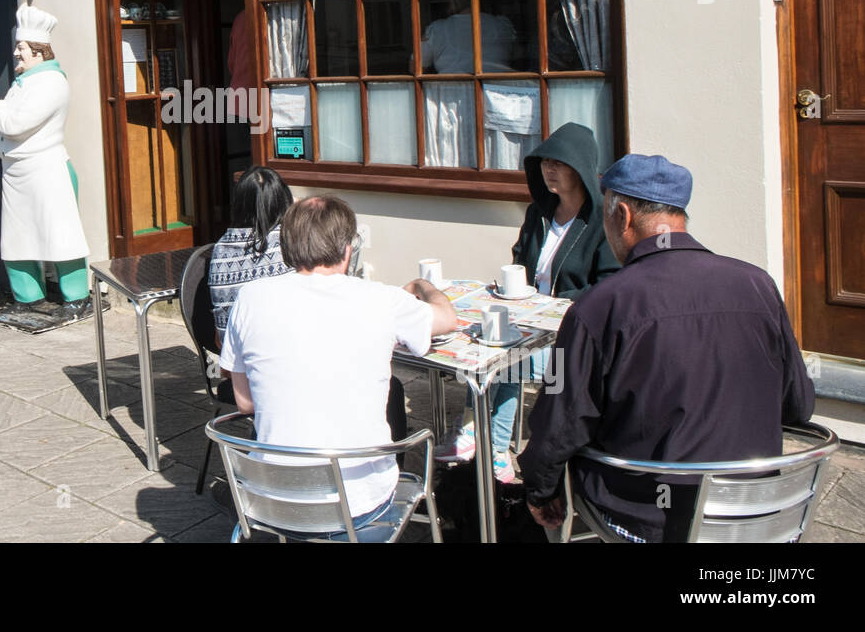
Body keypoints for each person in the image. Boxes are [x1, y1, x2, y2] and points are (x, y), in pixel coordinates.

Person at [519, 154, 816, 542]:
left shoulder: (599, 306)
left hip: (651, 517)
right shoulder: (758, 284)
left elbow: (558, 428)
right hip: (756, 508)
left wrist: (539, 492)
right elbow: (798, 405)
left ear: (621, 215)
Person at [219, 195, 460, 526]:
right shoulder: (380, 299)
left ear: (287, 247)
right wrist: (423, 285)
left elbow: (245, 403)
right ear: (348, 249)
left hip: (269, 498)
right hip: (360, 504)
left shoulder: (250, 298)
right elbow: (448, 319)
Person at [435, 122, 620, 482]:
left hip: (573, 337)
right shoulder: (540, 212)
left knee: (505, 362)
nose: (549, 170)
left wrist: (549, 303)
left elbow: (607, 285)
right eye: (544, 163)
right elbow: (520, 259)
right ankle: (485, 440)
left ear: (579, 166)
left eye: (558, 163)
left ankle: (488, 440)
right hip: (528, 323)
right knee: (485, 344)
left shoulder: (600, 221)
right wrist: (513, 289)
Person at [0, 4, 91, 318]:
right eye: (17, 47)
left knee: (60, 235)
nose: (17, 53)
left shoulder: (52, 84)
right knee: (18, 238)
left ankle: (77, 298)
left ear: (40, 52)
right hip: (16, 173)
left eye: (22, 48)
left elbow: (14, 123)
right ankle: (28, 297)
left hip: (46, 171)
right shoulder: (23, 83)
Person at [208, 166, 293, 348]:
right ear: (283, 199)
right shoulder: (288, 241)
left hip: (233, 358)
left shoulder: (220, 248)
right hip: (281, 357)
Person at [422, 0, 515, 73]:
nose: (448, 0)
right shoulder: (501, 24)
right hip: (497, 89)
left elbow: (417, 66)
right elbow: (517, 55)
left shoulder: (437, 29)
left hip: (452, 89)